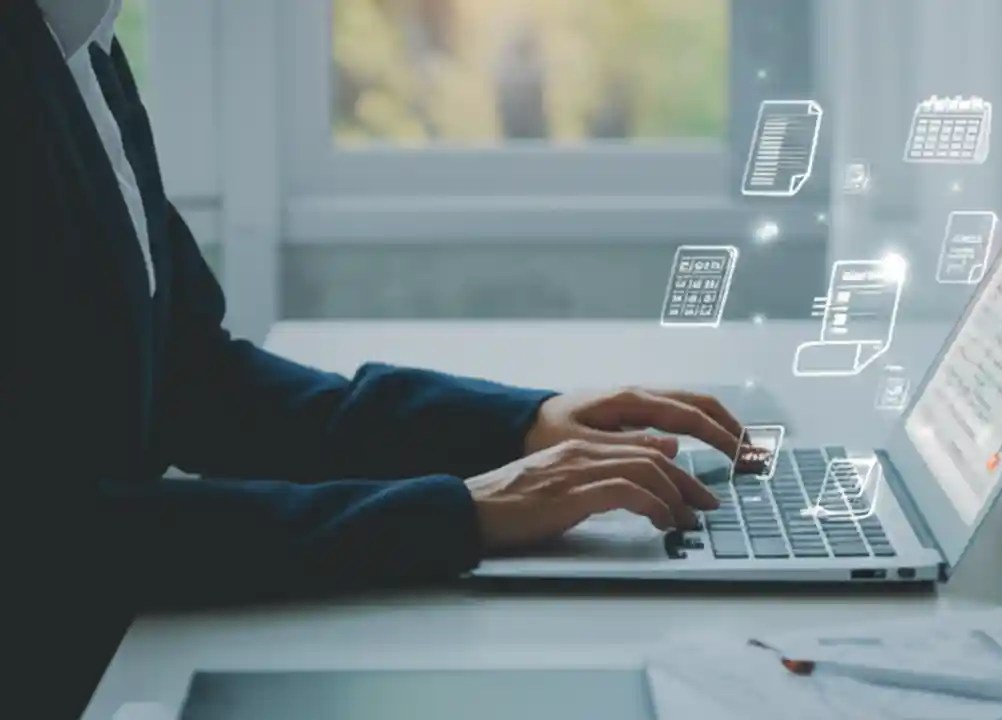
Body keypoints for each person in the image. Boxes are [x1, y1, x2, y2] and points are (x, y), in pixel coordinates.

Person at [2, 1, 741, 716]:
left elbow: (196, 382)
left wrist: (519, 426)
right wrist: (451, 513)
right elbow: (51, 539)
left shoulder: (75, 41)